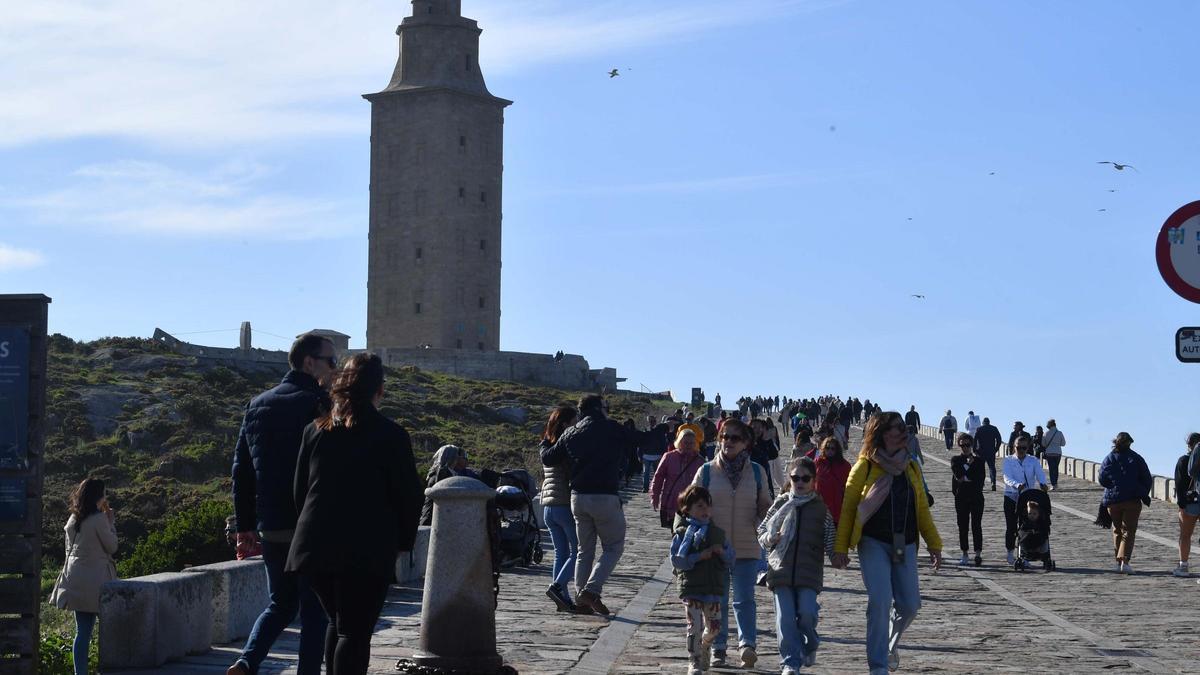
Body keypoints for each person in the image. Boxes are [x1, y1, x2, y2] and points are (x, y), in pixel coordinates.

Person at [286, 353, 422, 675]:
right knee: (355, 631)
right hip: (365, 547)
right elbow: (409, 496)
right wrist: (404, 542)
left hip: (314, 545)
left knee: (338, 622)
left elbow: (299, 492)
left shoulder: (314, 431)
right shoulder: (391, 435)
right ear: (380, 391)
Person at [229, 333, 336, 675]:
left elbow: (241, 471)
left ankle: (247, 661)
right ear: (309, 362)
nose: (335, 369)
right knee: (315, 609)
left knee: (281, 604)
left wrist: (245, 525)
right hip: (311, 525)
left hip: (271, 525)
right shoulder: (317, 404)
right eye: (330, 361)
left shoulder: (257, 404)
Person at [832, 412, 942, 675]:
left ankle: (891, 644)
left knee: (911, 605)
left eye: (903, 428)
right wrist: (840, 548)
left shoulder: (912, 466)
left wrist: (934, 543)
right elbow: (848, 509)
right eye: (895, 428)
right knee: (880, 600)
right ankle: (878, 666)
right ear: (880, 433)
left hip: (906, 542)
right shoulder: (865, 466)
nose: (902, 432)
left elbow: (922, 509)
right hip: (873, 542)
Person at [541, 394, 644, 615]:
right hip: (604, 495)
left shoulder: (571, 432)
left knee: (583, 550)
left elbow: (548, 458)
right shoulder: (612, 428)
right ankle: (591, 589)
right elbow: (639, 441)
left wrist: (544, 441)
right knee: (613, 547)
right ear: (600, 408)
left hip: (577, 497)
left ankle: (581, 600)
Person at [688, 418, 772, 669]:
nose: (728, 442)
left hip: (747, 545)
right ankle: (719, 648)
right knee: (719, 600)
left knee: (745, 599)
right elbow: (691, 505)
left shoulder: (757, 471)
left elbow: (766, 506)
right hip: (716, 547)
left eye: (735, 438)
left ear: (745, 443)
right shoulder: (705, 471)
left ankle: (747, 645)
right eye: (724, 437)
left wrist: (767, 517)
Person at [758, 457, 836, 674]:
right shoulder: (780, 504)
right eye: (795, 478)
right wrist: (769, 539)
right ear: (789, 479)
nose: (800, 482)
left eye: (805, 478)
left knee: (807, 613)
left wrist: (837, 556)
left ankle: (811, 644)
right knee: (784, 618)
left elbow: (830, 537)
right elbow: (761, 531)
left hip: (809, 573)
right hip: (779, 570)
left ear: (813, 480)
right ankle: (790, 662)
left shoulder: (821, 509)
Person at [50, 478, 117, 675]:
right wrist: (111, 523)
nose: (106, 497)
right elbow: (112, 546)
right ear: (99, 496)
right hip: (97, 581)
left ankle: (81, 673)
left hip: (76, 579)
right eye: (104, 493)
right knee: (110, 628)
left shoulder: (74, 518)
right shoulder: (98, 519)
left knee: (82, 632)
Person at [671, 485, 735, 675]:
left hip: (713, 588)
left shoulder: (718, 533)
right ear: (687, 509)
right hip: (691, 587)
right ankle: (695, 661)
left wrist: (721, 553)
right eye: (699, 506)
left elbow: (731, 558)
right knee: (694, 627)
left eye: (708, 506)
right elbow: (676, 560)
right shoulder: (683, 533)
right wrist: (699, 556)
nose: (705, 510)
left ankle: (705, 645)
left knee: (714, 627)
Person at [540, 405, 580, 612]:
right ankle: (557, 588)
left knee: (560, 553)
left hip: (548, 506)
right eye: (575, 420)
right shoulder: (567, 445)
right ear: (566, 424)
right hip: (564, 503)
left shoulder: (546, 444)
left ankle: (561, 598)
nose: (578, 424)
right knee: (579, 550)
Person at [1098, 432, 1153, 574]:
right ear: (1129, 443)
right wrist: (1141, 492)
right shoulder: (1136, 458)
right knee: (1128, 531)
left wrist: (1113, 486)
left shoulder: (1108, 458)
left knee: (1117, 530)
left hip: (1113, 501)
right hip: (1132, 500)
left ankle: (1118, 562)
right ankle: (1125, 561)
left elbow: (1102, 479)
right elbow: (1147, 479)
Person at [1002, 434, 1047, 565]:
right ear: (1014, 447)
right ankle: (1010, 551)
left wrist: (1043, 484)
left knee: (1025, 526)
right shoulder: (1008, 460)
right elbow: (1006, 477)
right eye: (1018, 447)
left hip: (1027, 498)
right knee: (1011, 526)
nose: (1021, 450)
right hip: (1011, 495)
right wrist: (1017, 485)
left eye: (1024, 448)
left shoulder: (1033, 460)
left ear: (1027, 448)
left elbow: (1040, 474)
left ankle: (1025, 554)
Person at [651, 428, 706, 530]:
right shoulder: (669, 457)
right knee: (676, 532)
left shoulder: (700, 461)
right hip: (672, 501)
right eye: (685, 442)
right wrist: (655, 496)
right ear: (679, 442)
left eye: (691, 443)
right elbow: (658, 477)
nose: (688, 445)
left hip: (692, 503)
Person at [951, 433, 985, 566]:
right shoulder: (955, 460)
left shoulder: (980, 461)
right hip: (961, 497)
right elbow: (958, 476)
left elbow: (979, 480)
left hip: (976, 496)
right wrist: (968, 469)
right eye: (962, 445)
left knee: (976, 525)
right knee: (962, 526)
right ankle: (964, 552)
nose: (965, 447)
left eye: (967, 445)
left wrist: (965, 477)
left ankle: (978, 553)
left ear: (972, 445)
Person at [419, 445, 476, 526]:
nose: (457, 458)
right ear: (451, 457)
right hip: (433, 520)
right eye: (456, 456)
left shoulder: (448, 472)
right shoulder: (441, 473)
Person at [1173, 433, 1200, 578]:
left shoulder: (1183, 461)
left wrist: (1181, 504)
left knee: (1185, 536)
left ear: (1189, 444)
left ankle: (1183, 566)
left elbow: (1179, 484)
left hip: (1190, 503)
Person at [813, 437, 850, 525]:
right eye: (827, 448)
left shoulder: (844, 465)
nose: (829, 451)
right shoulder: (817, 463)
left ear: (837, 450)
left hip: (837, 506)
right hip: (820, 505)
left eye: (833, 448)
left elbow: (848, 486)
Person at [973, 417, 1003, 490]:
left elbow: (975, 439)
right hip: (991, 451)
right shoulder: (994, 428)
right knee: (992, 468)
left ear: (983, 423)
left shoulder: (979, 429)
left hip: (981, 452)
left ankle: (981, 483)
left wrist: (974, 450)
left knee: (981, 468)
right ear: (989, 422)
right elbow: (999, 440)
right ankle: (993, 482)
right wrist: (996, 449)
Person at [1042, 419, 1066, 491]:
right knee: (1056, 468)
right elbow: (1063, 444)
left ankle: (1053, 484)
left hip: (1049, 453)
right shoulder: (1059, 433)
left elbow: (1043, 444)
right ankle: (1055, 483)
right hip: (1058, 453)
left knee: (1051, 469)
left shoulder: (1046, 433)